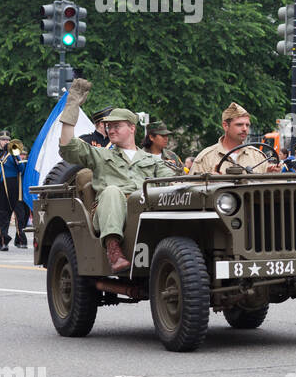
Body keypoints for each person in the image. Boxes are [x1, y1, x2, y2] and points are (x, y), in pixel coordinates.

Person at [56, 80, 171, 273]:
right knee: (111, 191)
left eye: (117, 126)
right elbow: (68, 147)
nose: (111, 130)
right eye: (108, 126)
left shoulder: (153, 160)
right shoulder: (101, 154)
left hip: (146, 210)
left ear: (132, 128)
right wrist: (72, 105)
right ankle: (113, 249)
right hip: (111, 211)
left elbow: (170, 182)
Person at [191, 103, 279, 174]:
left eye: (247, 125)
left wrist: (270, 176)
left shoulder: (258, 157)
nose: (245, 129)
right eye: (239, 124)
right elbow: (191, 191)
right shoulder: (205, 158)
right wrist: (210, 183)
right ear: (225, 126)